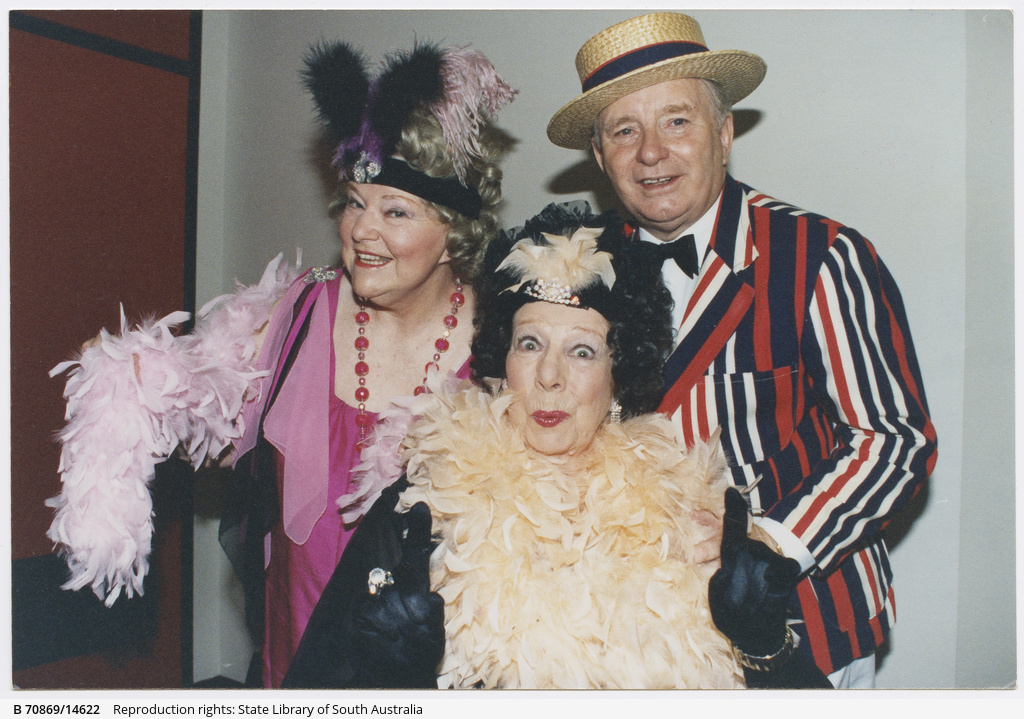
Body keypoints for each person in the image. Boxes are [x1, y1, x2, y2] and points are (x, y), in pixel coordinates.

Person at [46, 39, 515, 688]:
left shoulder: (508, 350)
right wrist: (131, 385)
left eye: (395, 211)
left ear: (454, 232)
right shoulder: (297, 313)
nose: (362, 231)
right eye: (354, 201)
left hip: (434, 673)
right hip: (294, 661)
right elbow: (208, 426)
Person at [283, 202, 831, 689]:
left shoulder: (689, 513)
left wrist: (764, 646)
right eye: (530, 344)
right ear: (502, 366)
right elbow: (311, 698)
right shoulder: (422, 508)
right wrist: (401, 684)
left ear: (619, 377)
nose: (549, 376)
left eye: (583, 352)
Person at [545, 13, 937, 687]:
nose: (650, 153)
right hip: (635, 645)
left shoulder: (822, 256)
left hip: (805, 630)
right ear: (600, 156)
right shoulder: (577, 271)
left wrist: (771, 545)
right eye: (624, 130)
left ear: (724, 134)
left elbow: (895, 441)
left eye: (677, 121)